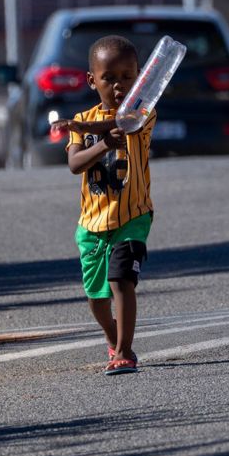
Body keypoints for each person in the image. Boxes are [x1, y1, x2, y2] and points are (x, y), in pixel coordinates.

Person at [52, 36, 156, 375]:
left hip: (132, 216)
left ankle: (124, 351)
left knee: (122, 280)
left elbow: (124, 124)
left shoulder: (143, 113)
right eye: (109, 78)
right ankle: (114, 337)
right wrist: (96, 140)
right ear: (91, 80)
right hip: (92, 224)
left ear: (140, 78)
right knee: (97, 299)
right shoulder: (81, 120)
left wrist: (90, 128)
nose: (119, 85)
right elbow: (75, 164)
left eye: (128, 77)